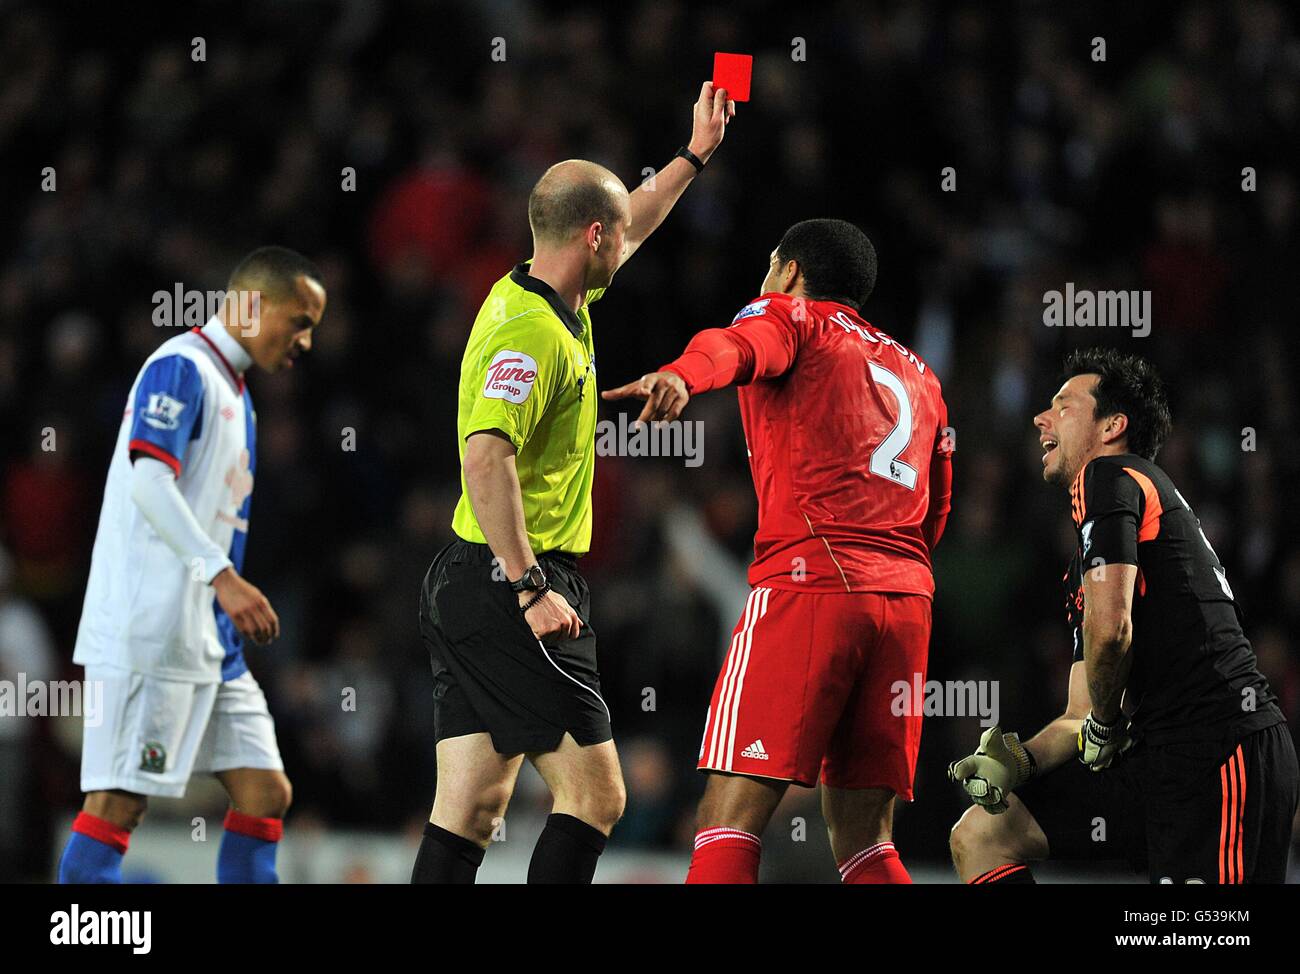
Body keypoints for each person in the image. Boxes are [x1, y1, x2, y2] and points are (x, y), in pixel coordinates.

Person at [411, 82, 735, 884]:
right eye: (616, 238)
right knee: (596, 798)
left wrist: (694, 155)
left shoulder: (554, 292)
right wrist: (526, 585)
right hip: (512, 584)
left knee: (472, 809)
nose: (625, 250)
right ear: (593, 235)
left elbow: (641, 215)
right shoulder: (531, 333)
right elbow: (485, 457)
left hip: (470, 579)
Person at [604, 218, 953, 884]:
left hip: (811, 585)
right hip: (906, 604)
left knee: (727, 814)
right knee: (864, 838)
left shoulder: (794, 317)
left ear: (789, 272)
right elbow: (936, 510)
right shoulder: (920, 373)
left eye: (770, 267)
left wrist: (682, 374)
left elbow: (736, 344)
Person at [948, 347, 1298, 884]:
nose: (1041, 418)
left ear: (1113, 426)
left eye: (1063, 405)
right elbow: (1080, 712)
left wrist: (1105, 723)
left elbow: (1111, 638)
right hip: (1161, 760)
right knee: (984, 834)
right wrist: (1021, 761)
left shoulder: (1109, 476)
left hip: (1220, 750)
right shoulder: (1093, 561)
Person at [57, 246, 326, 884]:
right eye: (299, 320)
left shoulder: (236, 394)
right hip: (149, 631)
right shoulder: (181, 366)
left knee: (265, 793)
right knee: (118, 805)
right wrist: (223, 576)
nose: (307, 341)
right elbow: (148, 478)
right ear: (251, 305)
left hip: (207, 641)